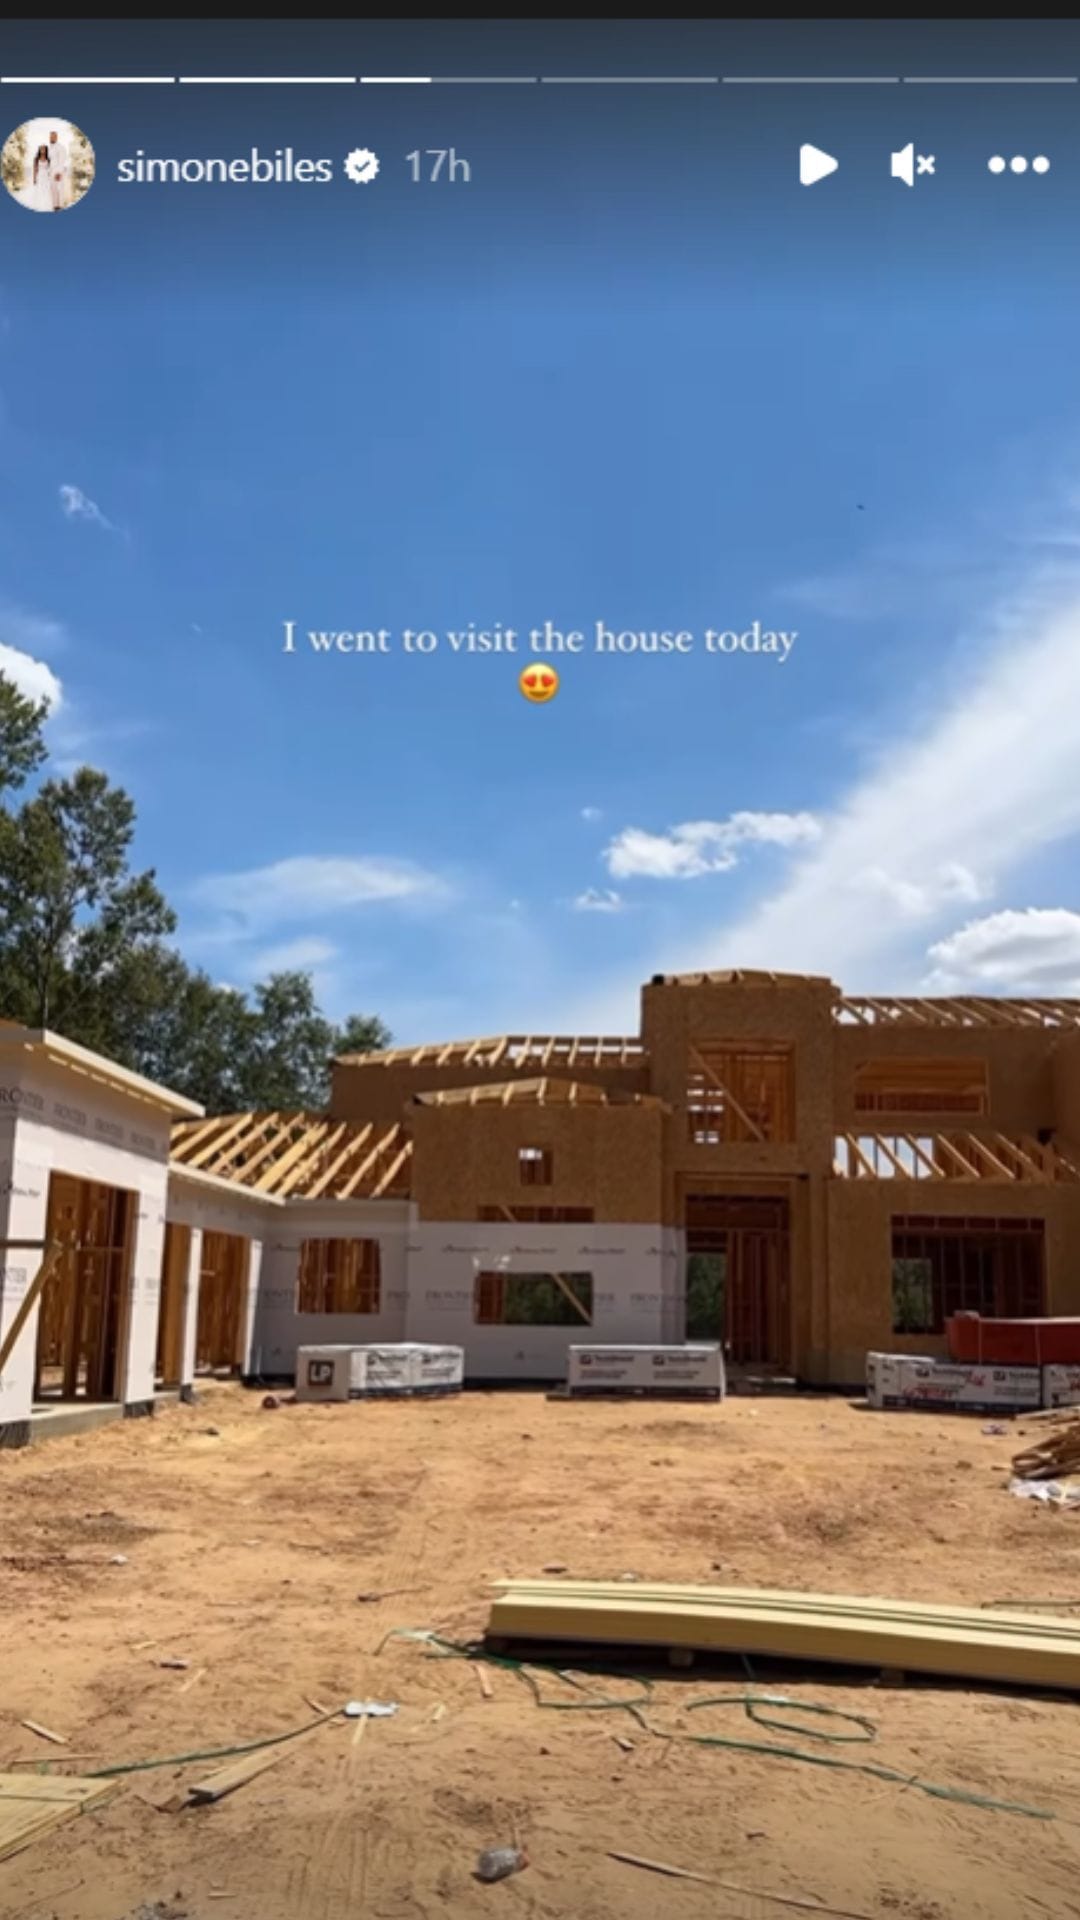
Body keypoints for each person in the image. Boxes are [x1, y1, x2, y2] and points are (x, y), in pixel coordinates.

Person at [47, 127, 69, 210]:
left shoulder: (60, 147)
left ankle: (60, 207)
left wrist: (59, 173)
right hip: (51, 172)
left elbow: (62, 160)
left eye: (53, 136)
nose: (51, 138)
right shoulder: (49, 148)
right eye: (50, 136)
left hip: (58, 172)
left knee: (60, 190)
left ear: (57, 137)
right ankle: (55, 207)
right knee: (53, 190)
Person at [30, 143, 52, 212]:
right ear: (39, 149)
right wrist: (34, 179)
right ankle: (39, 206)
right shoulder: (36, 159)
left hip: (46, 177)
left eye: (44, 148)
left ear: (46, 150)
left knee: (46, 191)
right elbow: (35, 169)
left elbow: (50, 169)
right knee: (39, 191)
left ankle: (46, 206)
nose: (42, 150)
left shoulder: (48, 159)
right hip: (39, 176)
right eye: (41, 148)